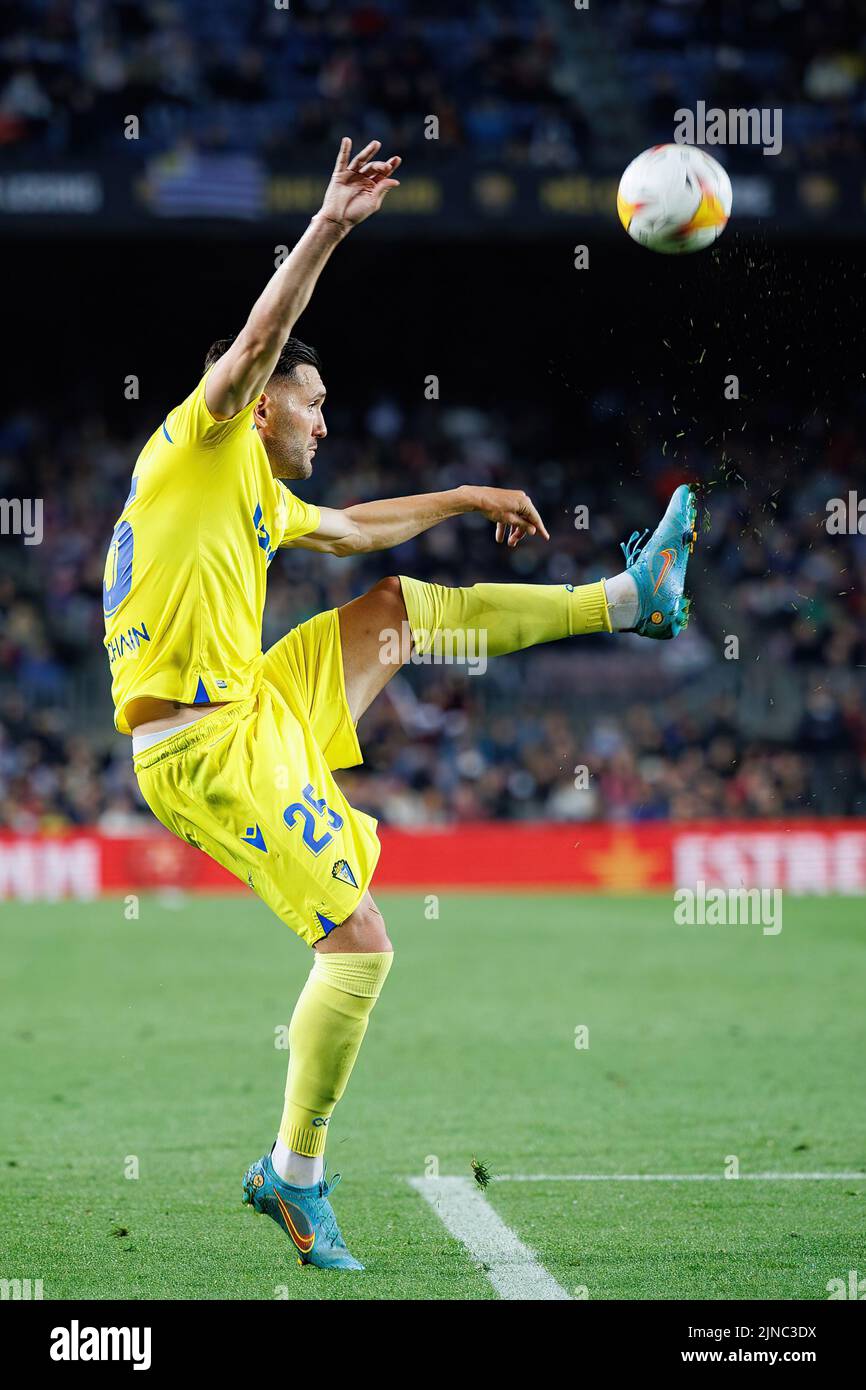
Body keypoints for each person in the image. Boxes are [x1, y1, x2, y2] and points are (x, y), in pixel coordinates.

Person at [102, 138, 697, 1270]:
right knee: (361, 946)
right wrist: (329, 224)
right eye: (311, 403)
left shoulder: (256, 493)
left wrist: (466, 494)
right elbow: (261, 338)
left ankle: (631, 599)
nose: (322, 421)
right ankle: (294, 1172)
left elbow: (358, 528)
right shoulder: (203, 434)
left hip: (246, 704)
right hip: (203, 744)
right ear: (259, 394)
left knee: (395, 609)